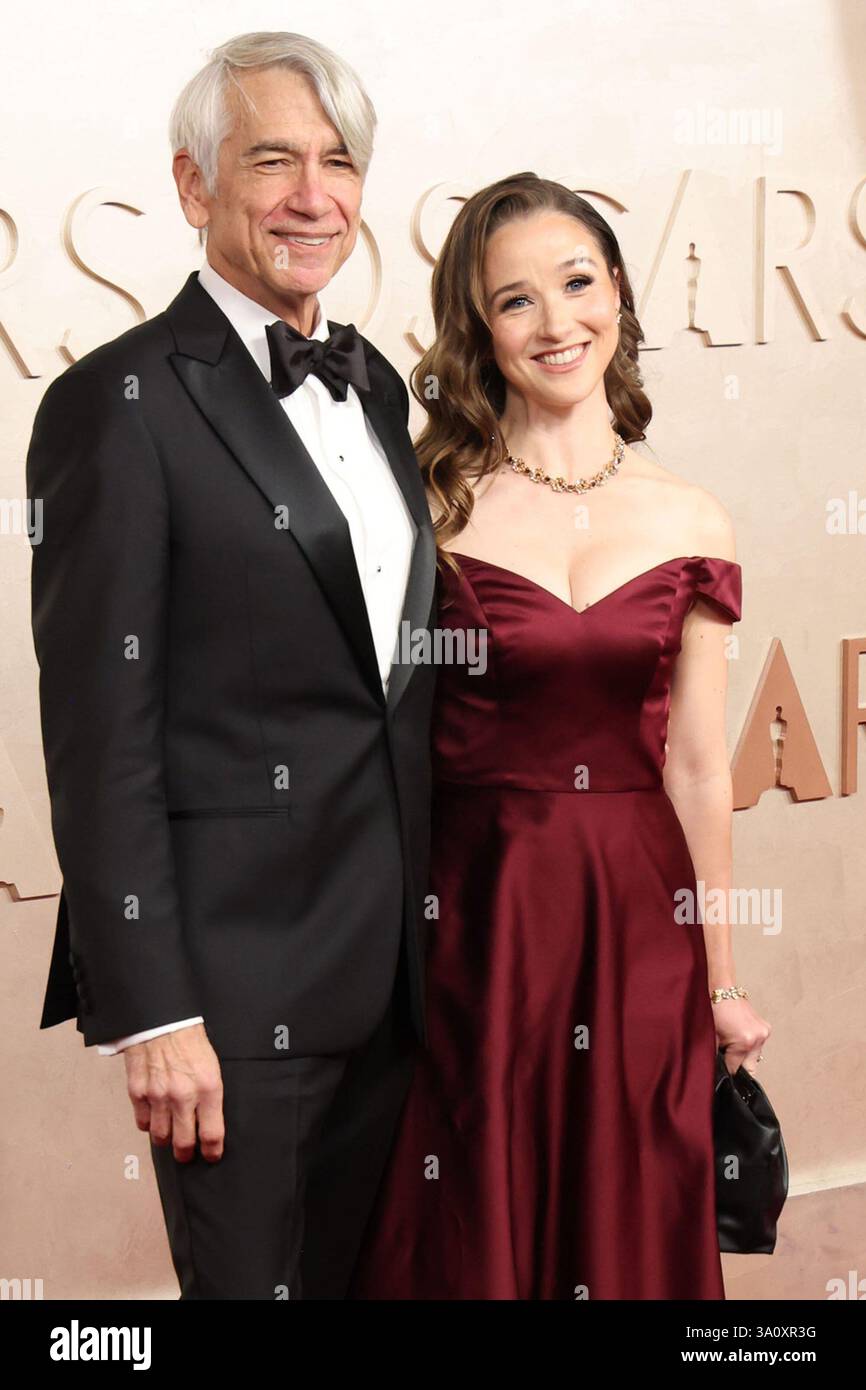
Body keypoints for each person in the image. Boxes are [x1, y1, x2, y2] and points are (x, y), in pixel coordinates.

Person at [26, 31, 437, 1300]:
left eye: (337, 162)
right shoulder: (118, 404)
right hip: (230, 993)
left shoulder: (371, 389)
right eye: (272, 161)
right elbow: (100, 736)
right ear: (196, 186)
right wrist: (151, 1012)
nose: (313, 196)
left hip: (397, 977)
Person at [348, 173, 771, 1300]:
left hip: (636, 922)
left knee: (628, 1205)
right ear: (479, 329)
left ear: (617, 292)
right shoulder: (429, 506)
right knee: (475, 1205)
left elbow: (692, 766)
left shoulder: (688, 515)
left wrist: (718, 979)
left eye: (576, 282)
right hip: (477, 918)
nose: (555, 322)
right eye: (514, 300)